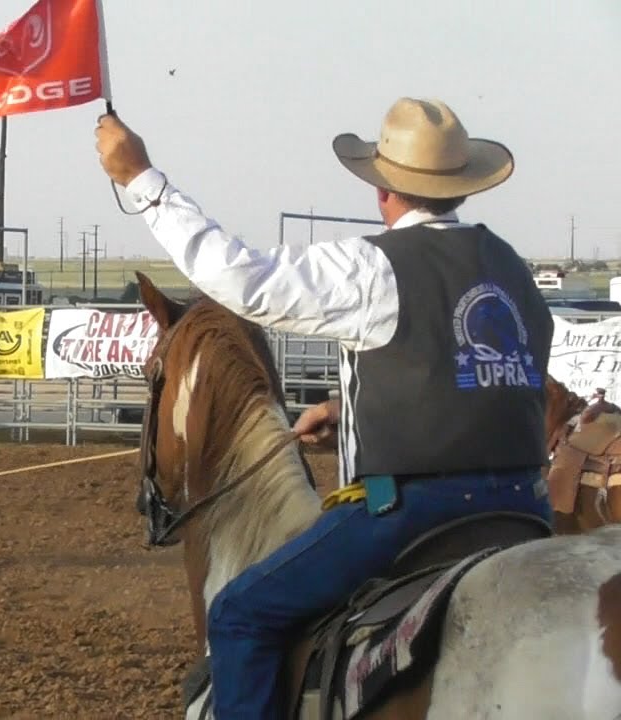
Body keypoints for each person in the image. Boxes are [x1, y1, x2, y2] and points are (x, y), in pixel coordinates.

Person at [94, 97, 554, 718]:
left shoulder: (373, 266)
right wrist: (353, 408)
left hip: (413, 514)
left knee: (237, 616)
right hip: (526, 507)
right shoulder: (512, 268)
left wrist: (141, 181)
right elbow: (500, 376)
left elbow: (243, 281)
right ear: (462, 187)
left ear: (384, 190)